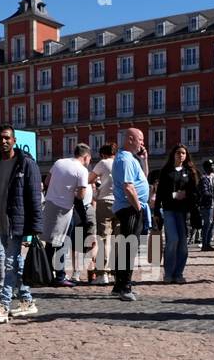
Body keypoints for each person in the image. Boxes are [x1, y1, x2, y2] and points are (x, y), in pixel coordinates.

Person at [0, 123, 43, 322]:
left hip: (17, 222)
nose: (4, 141)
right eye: (0, 138)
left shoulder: (26, 162)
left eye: (7, 138)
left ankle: (4, 304)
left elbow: (34, 196)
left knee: (9, 262)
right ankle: (27, 299)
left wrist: (36, 226)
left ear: (14, 140)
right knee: (15, 262)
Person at [42, 144, 92, 287]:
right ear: (86, 157)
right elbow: (81, 196)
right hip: (64, 210)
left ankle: (46, 271)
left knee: (50, 243)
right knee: (62, 243)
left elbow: (46, 181)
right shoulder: (82, 170)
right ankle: (60, 277)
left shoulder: (59, 162)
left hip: (50, 204)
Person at [111, 128, 150, 302]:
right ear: (130, 139)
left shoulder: (131, 159)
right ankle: (125, 286)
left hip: (131, 207)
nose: (142, 142)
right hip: (130, 208)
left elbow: (144, 178)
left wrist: (144, 160)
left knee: (127, 245)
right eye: (140, 139)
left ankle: (119, 284)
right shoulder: (125, 160)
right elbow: (128, 187)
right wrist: (138, 208)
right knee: (130, 247)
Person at [154, 144, 200, 284]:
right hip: (168, 210)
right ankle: (168, 273)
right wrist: (156, 210)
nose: (181, 155)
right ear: (173, 154)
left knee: (183, 244)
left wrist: (186, 195)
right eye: (178, 153)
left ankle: (178, 273)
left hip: (184, 211)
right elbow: (160, 192)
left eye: (183, 153)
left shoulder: (190, 172)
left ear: (186, 156)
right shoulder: (166, 171)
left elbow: (195, 192)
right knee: (172, 239)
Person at [90, 142, 117, 287]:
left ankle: (103, 274)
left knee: (104, 239)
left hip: (105, 202)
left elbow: (89, 179)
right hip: (120, 203)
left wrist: (98, 186)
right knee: (118, 239)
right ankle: (119, 274)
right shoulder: (120, 162)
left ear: (103, 154)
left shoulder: (103, 163)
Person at [198, 158, 214, 251]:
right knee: (207, 224)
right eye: (211, 166)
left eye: (213, 165)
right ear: (206, 168)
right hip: (206, 205)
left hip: (213, 204)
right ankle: (205, 244)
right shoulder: (203, 179)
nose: (213, 167)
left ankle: (208, 243)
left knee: (212, 224)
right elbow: (205, 192)